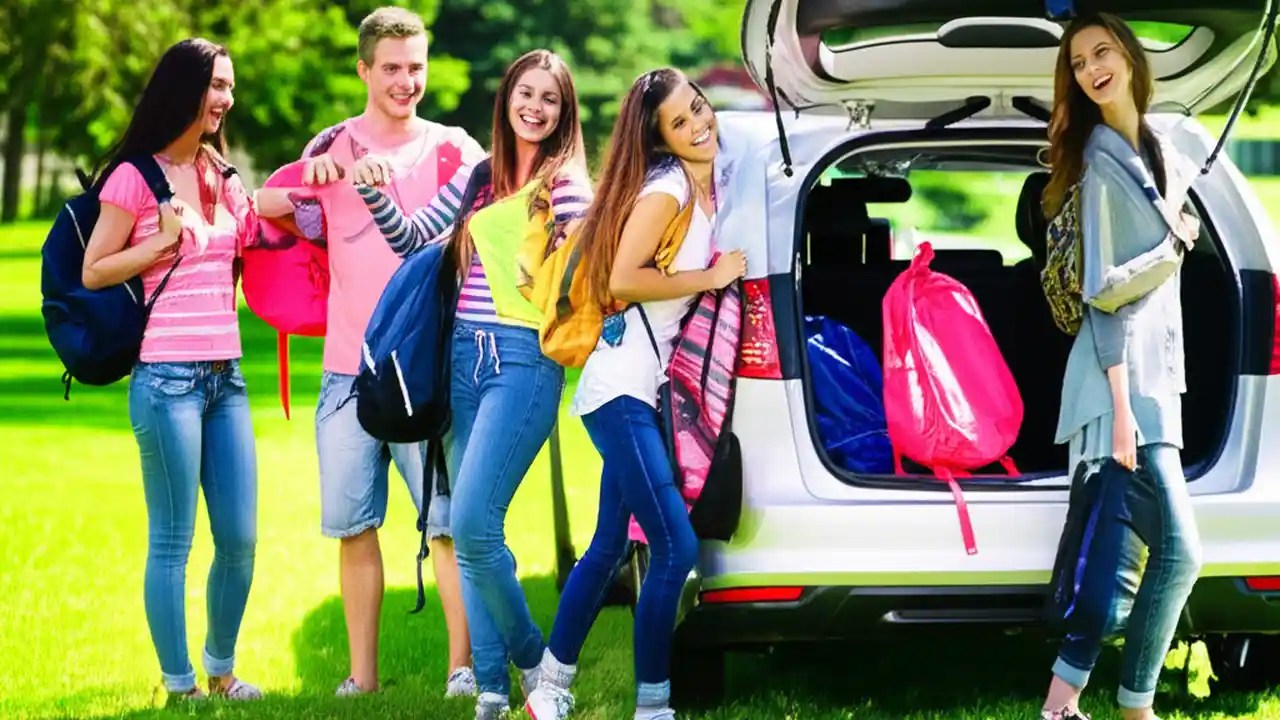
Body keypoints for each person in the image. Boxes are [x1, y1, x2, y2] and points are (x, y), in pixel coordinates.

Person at [254, 6, 487, 698]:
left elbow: (492, 201)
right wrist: (310, 175)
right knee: (354, 528)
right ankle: (362, 679)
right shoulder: (331, 145)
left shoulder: (453, 149)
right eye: (391, 68)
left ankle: (463, 669)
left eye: (415, 67)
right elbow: (260, 204)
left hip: (422, 372)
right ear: (363, 69)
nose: (405, 81)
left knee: (446, 527)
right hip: (345, 374)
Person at [353, 48, 592, 720]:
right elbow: (412, 241)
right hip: (462, 357)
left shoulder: (565, 184)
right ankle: (491, 690)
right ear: (507, 97)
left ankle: (537, 665)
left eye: (549, 98)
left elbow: (586, 264)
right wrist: (373, 191)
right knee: (473, 534)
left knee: (473, 522)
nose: (535, 107)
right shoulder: (482, 176)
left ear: (563, 111)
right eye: (526, 92)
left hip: (522, 362)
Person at [523, 67, 746, 720]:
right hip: (620, 392)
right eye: (680, 121)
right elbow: (623, 277)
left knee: (607, 548)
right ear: (660, 138)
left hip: (635, 391)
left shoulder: (707, 182)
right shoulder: (667, 189)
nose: (699, 124)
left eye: (698, 108)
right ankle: (653, 707)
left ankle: (549, 690)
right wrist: (710, 277)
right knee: (674, 547)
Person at [81, 38, 261, 703]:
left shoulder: (222, 173)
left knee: (240, 538)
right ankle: (181, 686)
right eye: (216, 85)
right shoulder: (134, 177)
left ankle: (221, 670)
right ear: (184, 88)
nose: (225, 99)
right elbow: (94, 269)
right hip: (166, 382)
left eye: (230, 87)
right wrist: (159, 241)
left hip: (226, 378)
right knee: (173, 541)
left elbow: (255, 237)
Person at [1038, 13, 1203, 720]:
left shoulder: (1160, 149)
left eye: (1101, 53)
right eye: (1078, 63)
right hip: (1118, 387)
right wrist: (1124, 413)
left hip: (1154, 382)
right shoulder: (1101, 163)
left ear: (1130, 57)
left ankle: (1068, 705)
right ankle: (1130, 708)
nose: (1091, 69)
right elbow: (1100, 292)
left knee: (1118, 555)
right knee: (1176, 553)